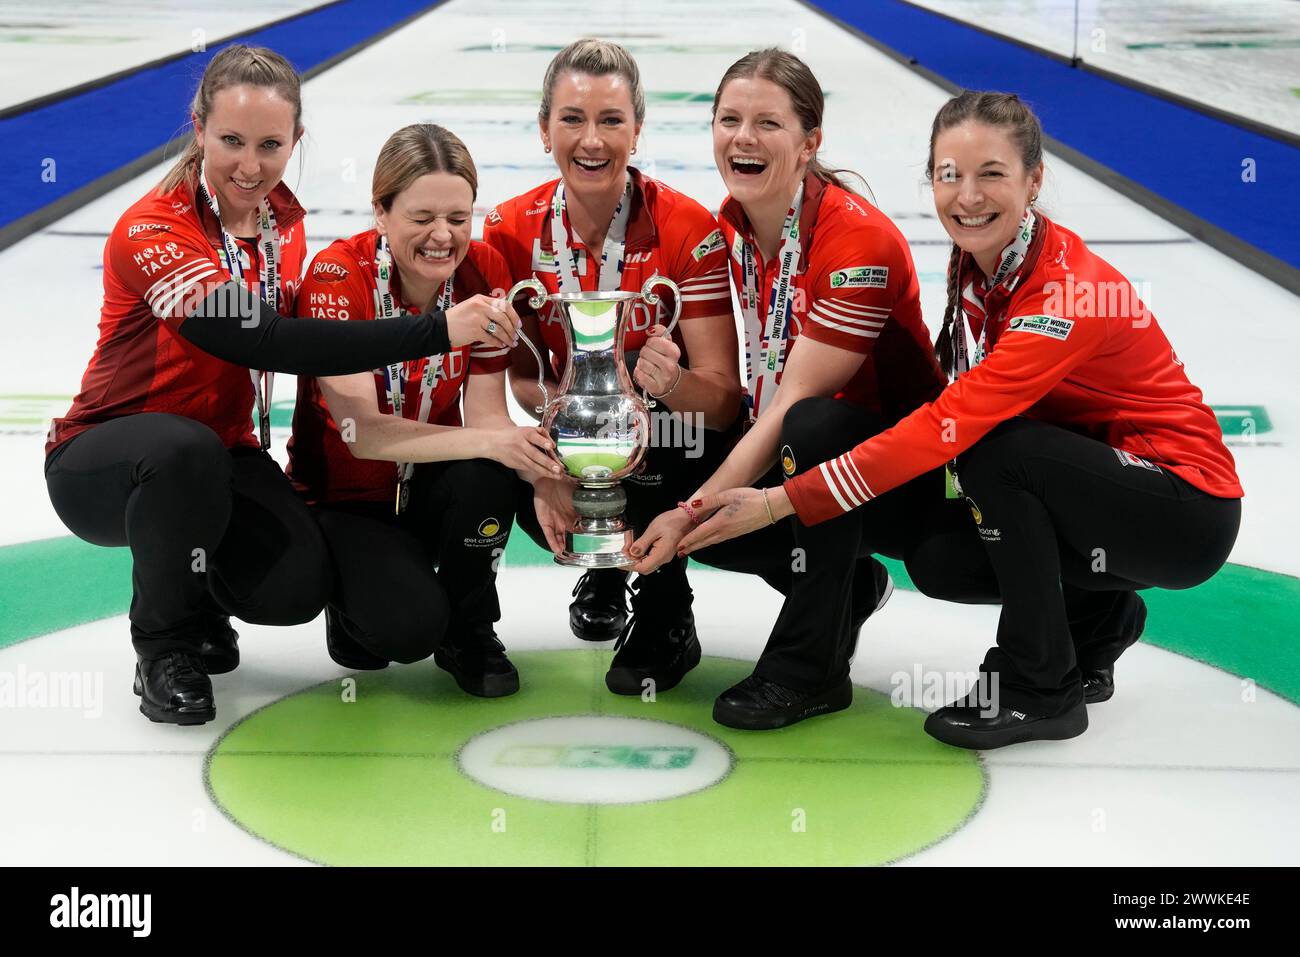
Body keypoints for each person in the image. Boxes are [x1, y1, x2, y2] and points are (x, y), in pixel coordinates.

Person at [676, 90, 1243, 749]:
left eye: (991, 174)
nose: (967, 196)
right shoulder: (980, 265)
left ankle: (1039, 686)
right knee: (940, 556)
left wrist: (780, 501)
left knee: (994, 448)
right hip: (1098, 497)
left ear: (1035, 179)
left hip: (1183, 509)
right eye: (950, 175)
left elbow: (955, 423)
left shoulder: (1065, 291)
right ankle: (1096, 615)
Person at [43, 46, 513, 725]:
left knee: (293, 588)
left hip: (223, 454)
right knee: (182, 452)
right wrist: (436, 331)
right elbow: (258, 338)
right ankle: (163, 646)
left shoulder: (278, 227)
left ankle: (201, 596)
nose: (250, 164)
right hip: (105, 458)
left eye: (270, 144)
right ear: (198, 127)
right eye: (231, 140)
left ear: (295, 140)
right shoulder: (154, 229)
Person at [630, 49, 947, 730]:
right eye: (729, 119)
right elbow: (741, 398)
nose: (742, 137)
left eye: (767, 123)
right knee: (666, 444)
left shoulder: (859, 244)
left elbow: (796, 401)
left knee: (810, 427)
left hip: (900, 475)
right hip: (800, 454)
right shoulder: (732, 228)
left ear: (810, 144)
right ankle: (839, 590)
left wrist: (693, 510)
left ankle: (812, 671)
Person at [483, 38, 743, 696]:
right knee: (490, 459)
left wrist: (672, 382)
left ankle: (665, 612)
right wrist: (551, 463)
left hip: (669, 439)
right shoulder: (509, 231)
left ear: (638, 129)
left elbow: (722, 404)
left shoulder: (690, 230)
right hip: (567, 432)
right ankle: (491, 612)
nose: (591, 140)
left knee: (641, 406)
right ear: (544, 130)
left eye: (611, 120)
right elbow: (511, 379)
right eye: (572, 118)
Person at [288, 123, 560, 698]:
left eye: (458, 219)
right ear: (381, 212)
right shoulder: (337, 276)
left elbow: (486, 418)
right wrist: (493, 443)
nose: (443, 236)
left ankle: (471, 628)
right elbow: (361, 434)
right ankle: (352, 593)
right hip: (348, 503)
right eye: (421, 218)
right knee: (404, 632)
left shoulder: (483, 271)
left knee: (489, 472)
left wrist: (541, 474)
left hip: (425, 487)